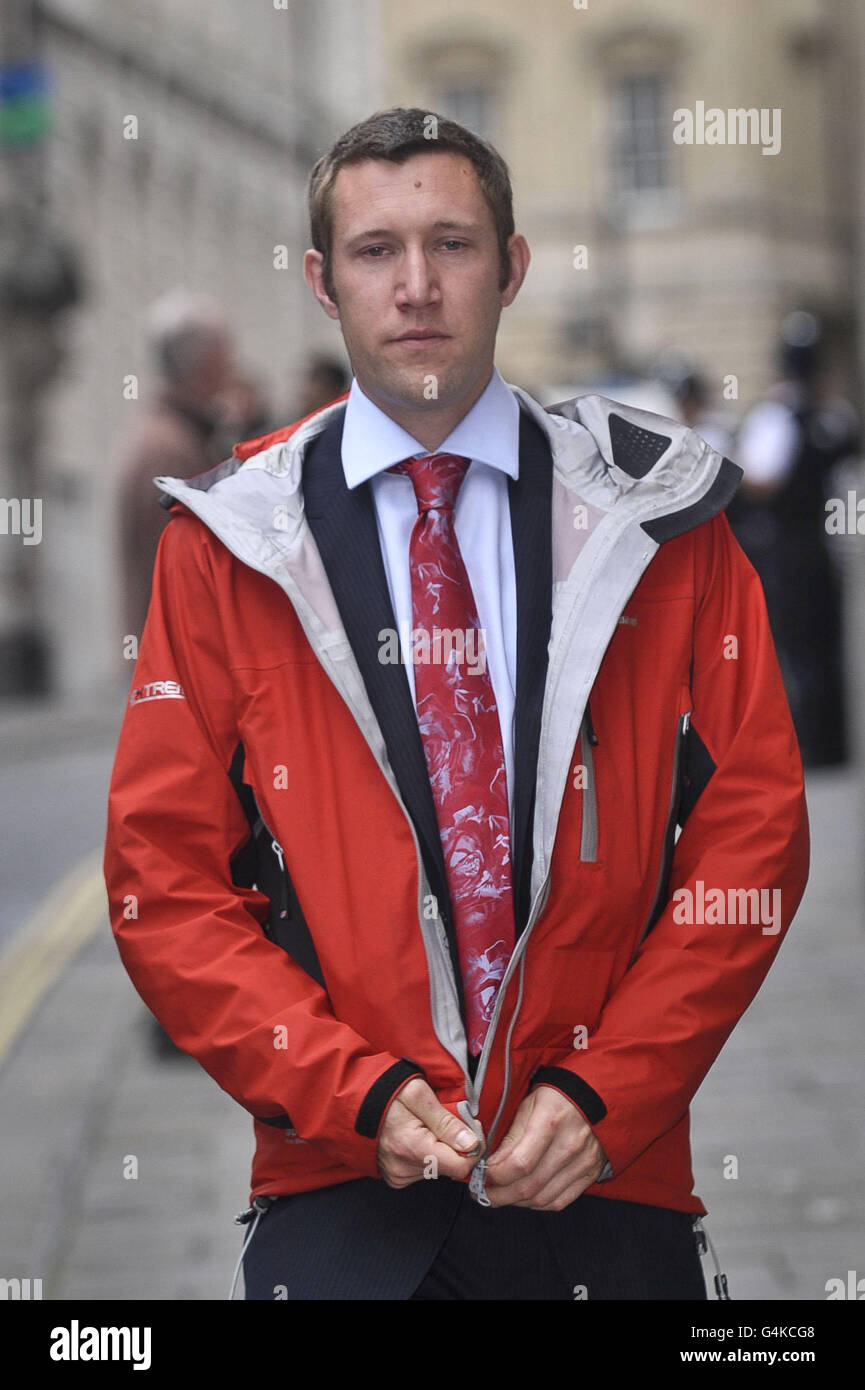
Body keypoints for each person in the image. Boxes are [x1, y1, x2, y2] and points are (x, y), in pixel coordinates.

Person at [103, 107, 810, 1301]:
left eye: (454, 243)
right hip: (340, 1181)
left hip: (605, 1164)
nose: (417, 284)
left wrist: (611, 1088)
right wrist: (353, 1094)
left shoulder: (661, 518)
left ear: (514, 265)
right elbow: (161, 880)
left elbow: (756, 826)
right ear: (325, 284)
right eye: (378, 251)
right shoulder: (227, 543)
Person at [116, 288, 236, 647]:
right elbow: (183, 575)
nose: (233, 364)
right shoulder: (169, 450)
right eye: (225, 351)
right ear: (204, 362)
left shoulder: (175, 435)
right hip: (173, 665)